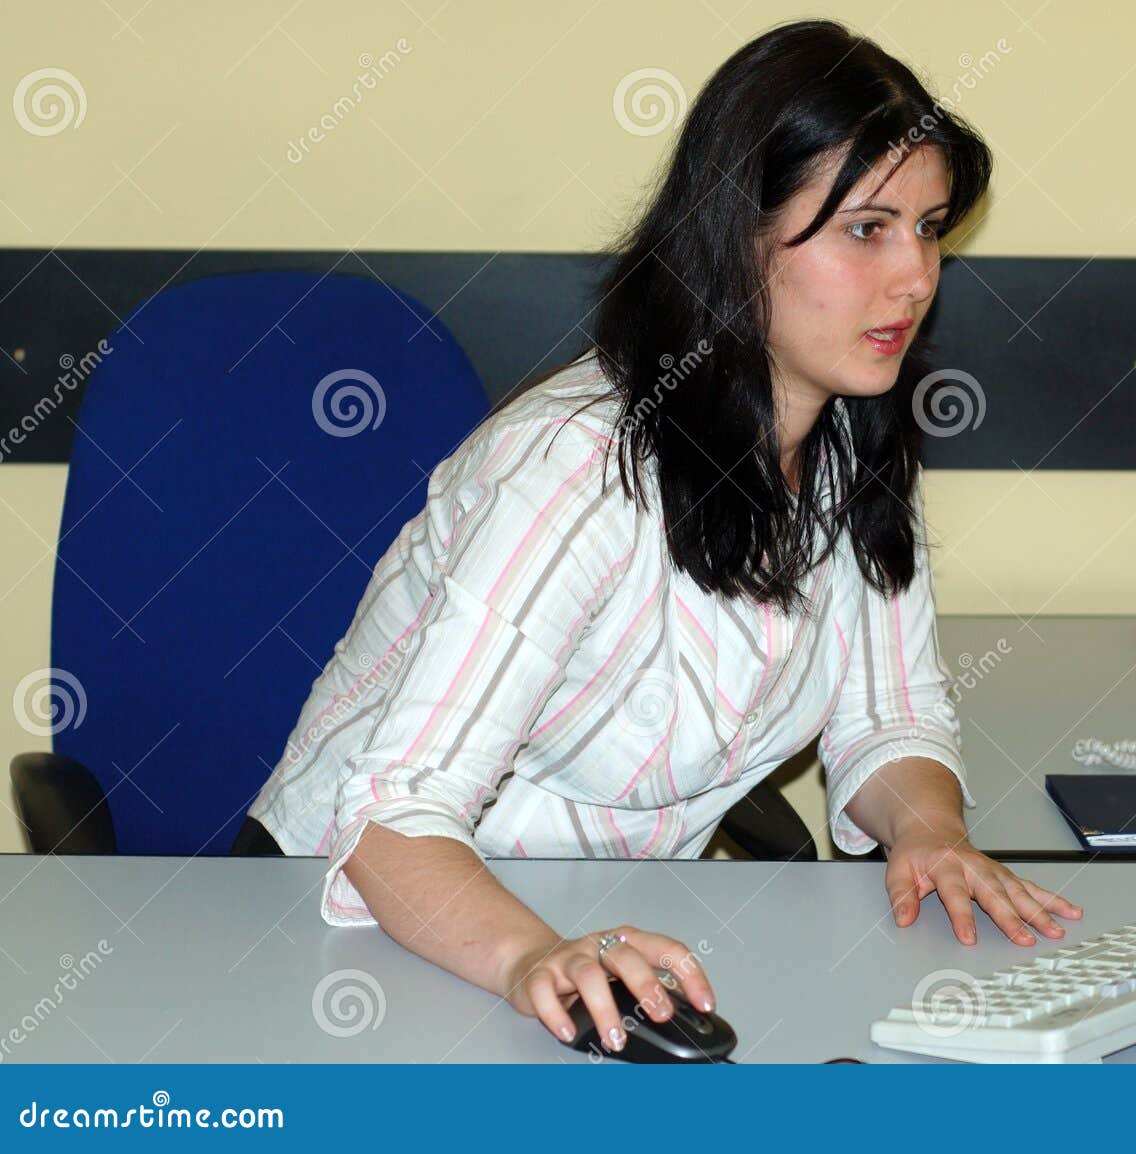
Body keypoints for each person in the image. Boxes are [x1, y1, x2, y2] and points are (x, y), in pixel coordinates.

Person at [238, 17, 1083, 1055]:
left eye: (930, 226)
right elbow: (389, 814)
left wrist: (931, 832)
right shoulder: (577, 470)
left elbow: (888, 714)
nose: (916, 276)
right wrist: (527, 957)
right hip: (370, 931)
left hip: (607, 933)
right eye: (868, 228)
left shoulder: (853, 434)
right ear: (738, 238)